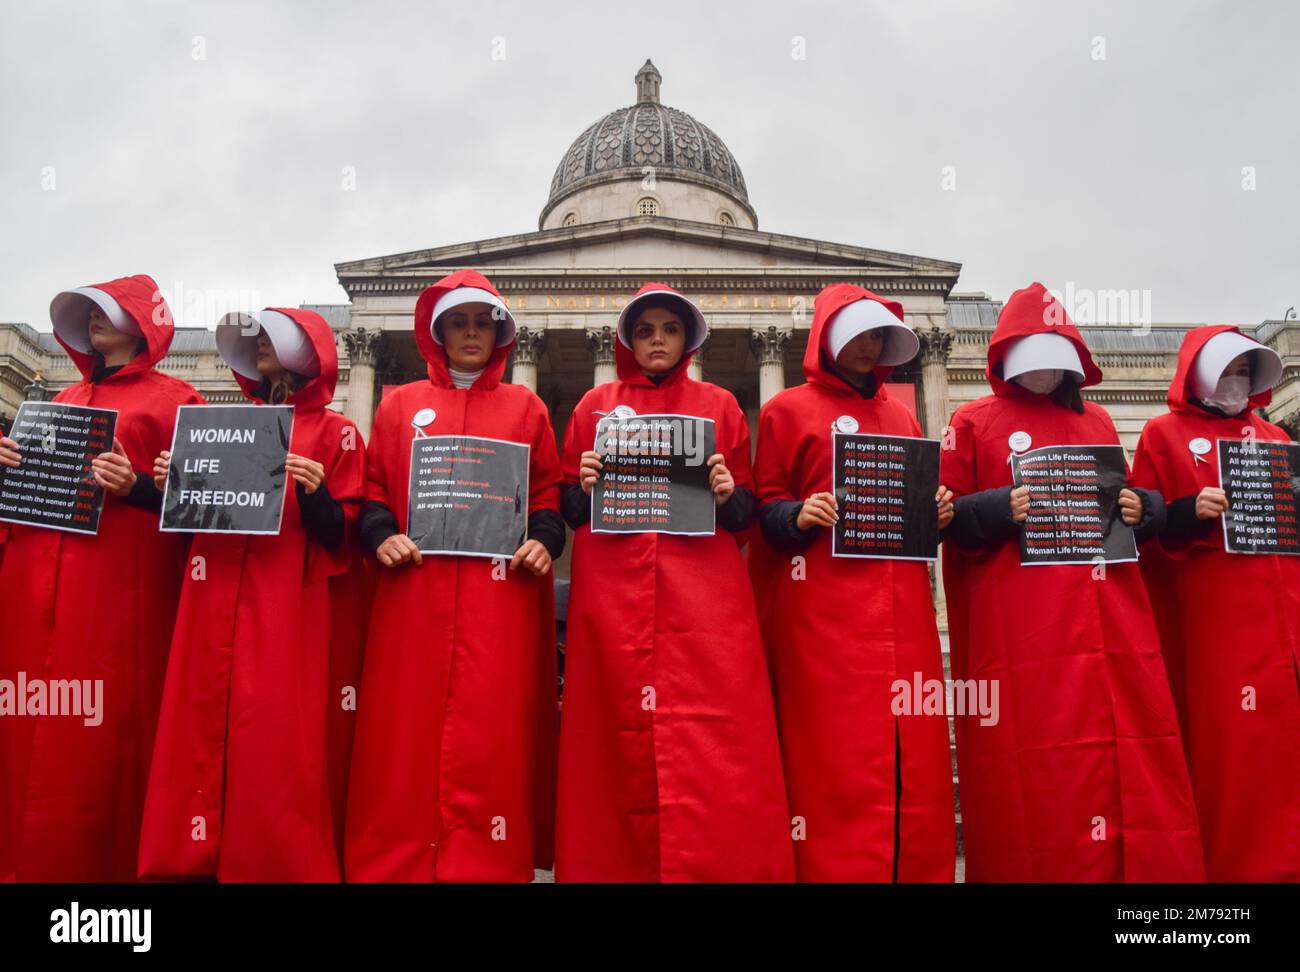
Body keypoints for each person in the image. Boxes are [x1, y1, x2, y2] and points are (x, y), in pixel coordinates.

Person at [940, 281, 1204, 881]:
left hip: (1107, 615)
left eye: (1053, 361)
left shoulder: (1101, 420)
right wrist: (1001, 506)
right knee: (1042, 772)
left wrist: (1146, 508)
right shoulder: (971, 420)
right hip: (1027, 628)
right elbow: (947, 518)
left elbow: (1125, 503)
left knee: (1125, 755)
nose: (1041, 375)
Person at [555, 282, 794, 882]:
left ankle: (718, 862)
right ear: (627, 340)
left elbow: (747, 515)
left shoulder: (720, 405)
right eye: (643, 330)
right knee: (612, 733)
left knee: (715, 734)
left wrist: (725, 492)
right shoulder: (593, 407)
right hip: (613, 595)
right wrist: (580, 484)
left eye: (667, 329)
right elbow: (561, 507)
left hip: (704, 600)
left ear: (687, 338)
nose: (656, 340)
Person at [344, 269, 564, 882]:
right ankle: (395, 859)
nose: (471, 333)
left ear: (500, 332)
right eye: (458, 323)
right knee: (403, 727)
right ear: (436, 332)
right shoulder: (397, 403)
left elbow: (547, 493)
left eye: (482, 322)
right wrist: (381, 533)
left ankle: (488, 860)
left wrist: (544, 542)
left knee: (493, 730)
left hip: (500, 599)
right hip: (414, 589)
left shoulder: (527, 406)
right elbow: (373, 488)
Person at [138, 307, 365, 881]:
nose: (259, 344)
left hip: (284, 597)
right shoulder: (226, 423)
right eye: (255, 338)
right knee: (198, 720)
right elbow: (195, 519)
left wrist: (315, 494)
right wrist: (166, 484)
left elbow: (346, 534)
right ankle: (188, 855)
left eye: (272, 336)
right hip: (212, 591)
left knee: (272, 733)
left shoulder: (338, 432)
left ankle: (270, 859)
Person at [749, 283, 956, 881]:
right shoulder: (785, 409)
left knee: (908, 757)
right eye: (857, 334)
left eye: (877, 335)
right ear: (827, 338)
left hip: (903, 611)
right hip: (825, 616)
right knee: (831, 756)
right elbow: (767, 509)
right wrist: (797, 515)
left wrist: (934, 511)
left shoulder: (902, 414)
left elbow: (907, 514)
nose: (869, 346)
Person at [0, 274, 202, 881]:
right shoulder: (59, 401)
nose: (92, 321)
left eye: (106, 312)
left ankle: (105, 867)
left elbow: (201, 506)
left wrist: (138, 486)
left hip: (120, 587)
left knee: (103, 732)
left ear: (142, 323)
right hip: (38, 582)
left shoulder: (179, 400)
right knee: (31, 723)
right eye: (87, 313)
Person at [1131, 324, 1299, 881]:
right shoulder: (1162, 432)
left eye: (1245, 373)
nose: (1236, 382)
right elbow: (1141, 527)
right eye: (1228, 371)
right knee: (1232, 753)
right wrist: (1186, 511)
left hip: (1284, 617)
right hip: (1216, 624)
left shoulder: (1274, 439)